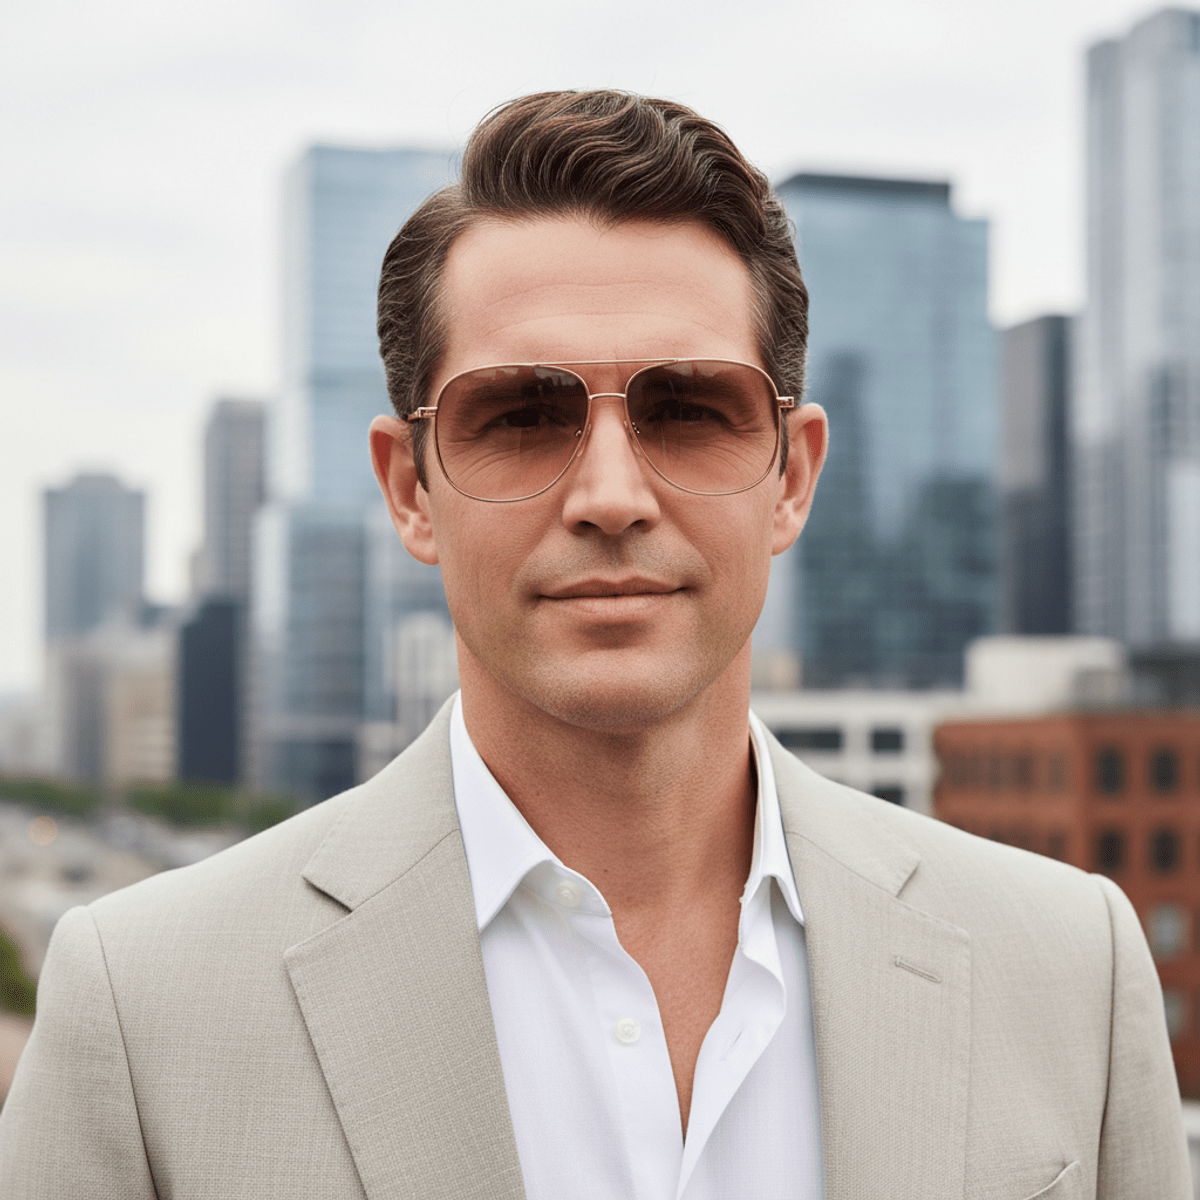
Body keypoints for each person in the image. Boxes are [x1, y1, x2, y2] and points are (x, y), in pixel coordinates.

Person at [0, 90, 1188, 1200]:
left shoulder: (1070, 973)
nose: (611, 495)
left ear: (794, 477)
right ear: (409, 488)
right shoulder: (141, 1007)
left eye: (687, 408)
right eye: (521, 413)